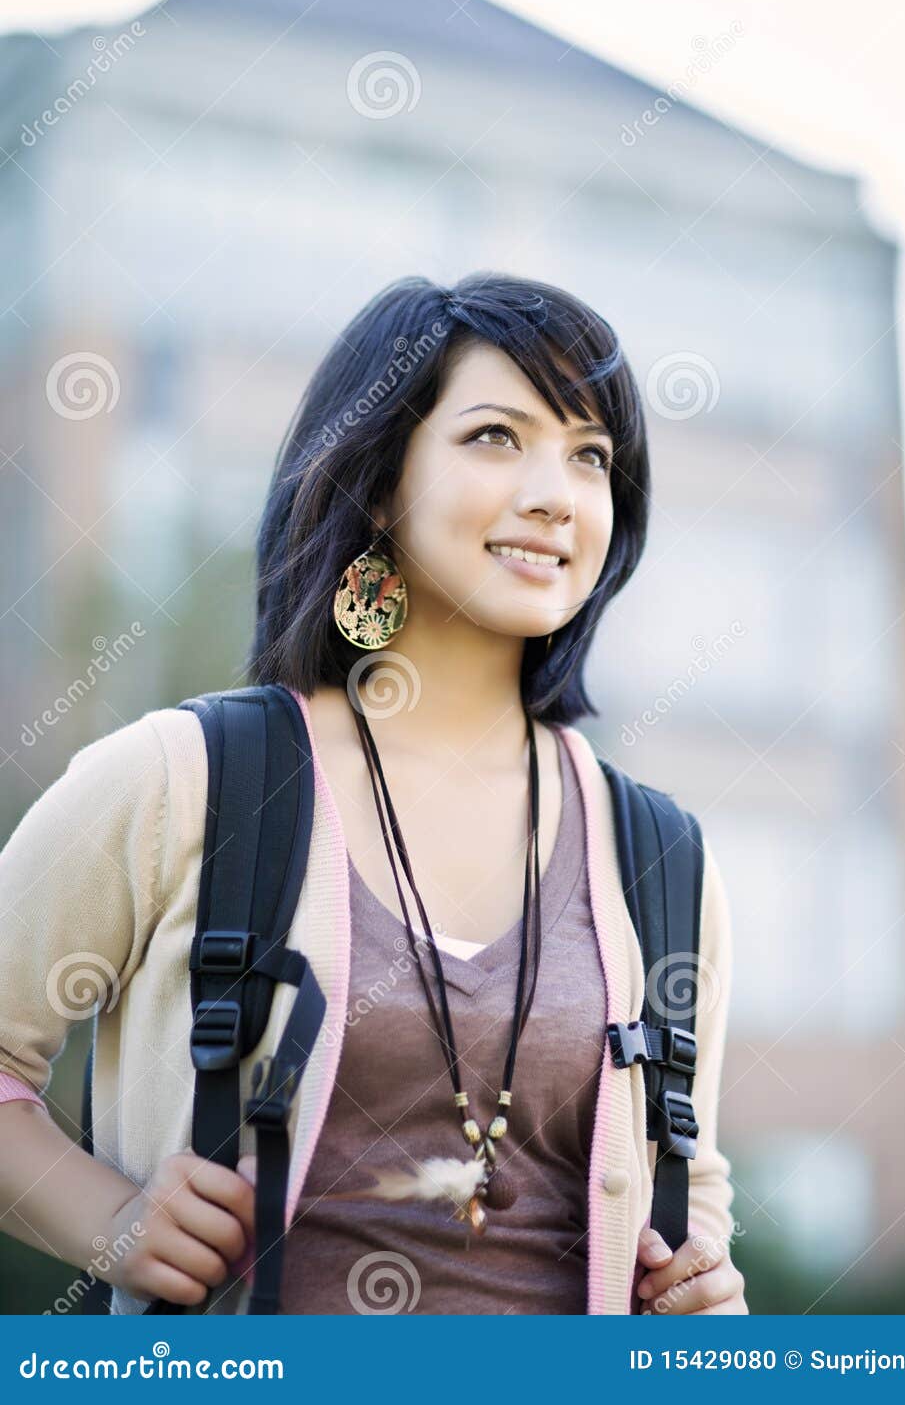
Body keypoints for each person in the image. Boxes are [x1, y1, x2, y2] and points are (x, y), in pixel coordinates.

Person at [0, 271, 746, 1316]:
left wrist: (701, 1287)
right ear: (381, 481)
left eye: (590, 455)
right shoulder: (186, 778)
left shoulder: (661, 857)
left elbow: (686, 1174)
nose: (556, 493)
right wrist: (110, 1221)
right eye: (496, 436)